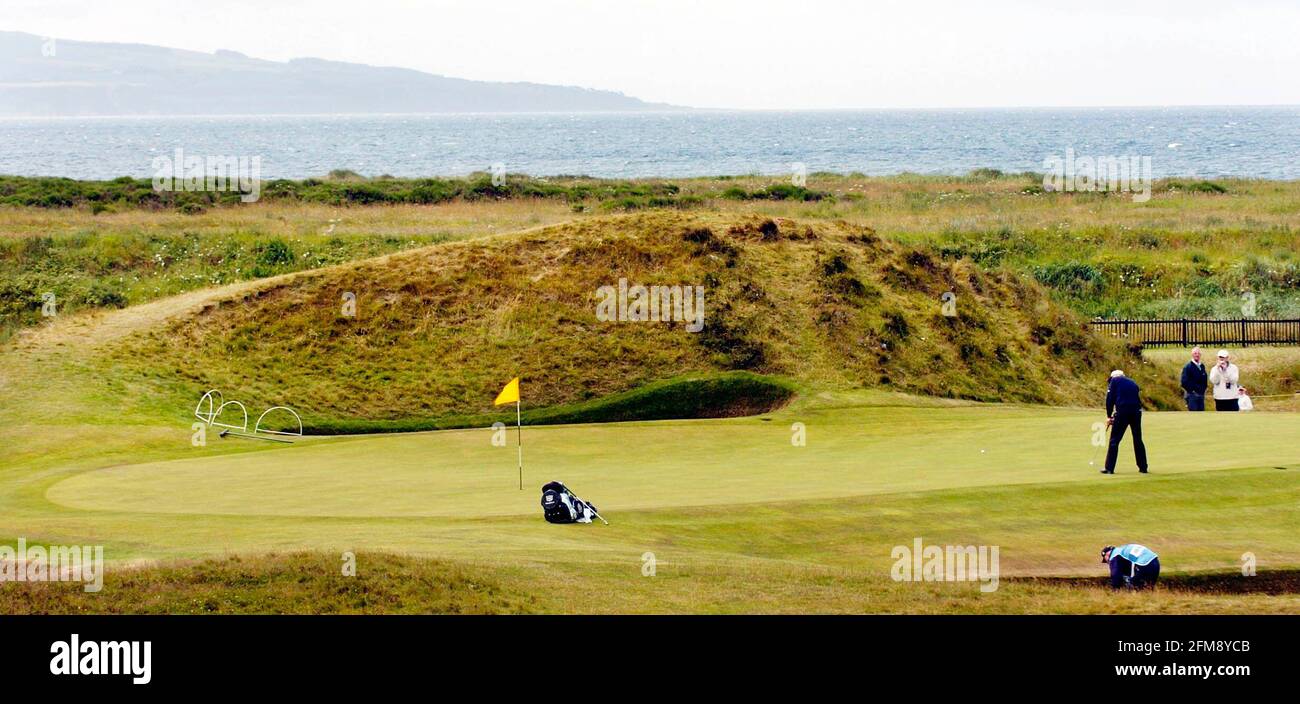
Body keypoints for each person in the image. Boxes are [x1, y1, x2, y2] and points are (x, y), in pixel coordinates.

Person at [1102, 370, 1148, 474]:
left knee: (1114, 440)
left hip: (1123, 411)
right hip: (1136, 412)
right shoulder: (1132, 382)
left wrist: (1109, 416)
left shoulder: (1114, 381)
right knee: (1137, 439)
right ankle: (1143, 467)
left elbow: (1110, 399)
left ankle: (1109, 468)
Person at [1179, 346, 1208, 411]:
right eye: (1195, 353)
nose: (1197, 355)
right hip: (1192, 396)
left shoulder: (1202, 366)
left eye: (1198, 353)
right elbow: (1184, 382)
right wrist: (1192, 391)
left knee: (1201, 415)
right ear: (1192, 354)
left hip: (1201, 395)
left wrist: (1203, 389)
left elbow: (1204, 379)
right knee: (1194, 415)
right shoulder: (1188, 367)